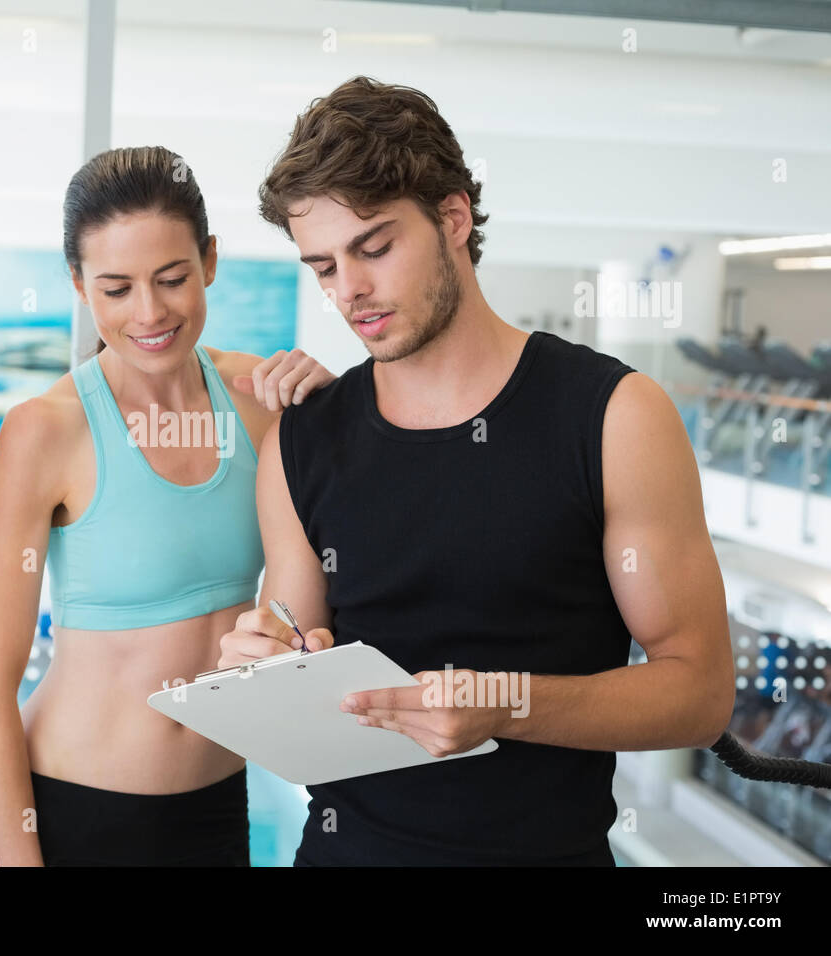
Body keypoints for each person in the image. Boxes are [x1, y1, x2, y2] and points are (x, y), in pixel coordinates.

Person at [219, 76, 736, 866]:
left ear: (453, 218)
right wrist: (263, 664)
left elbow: (698, 693)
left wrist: (505, 706)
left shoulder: (616, 418)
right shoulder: (301, 443)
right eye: (322, 266)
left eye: (375, 246)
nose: (348, 291)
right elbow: (293, 643)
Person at [0, 146, 337, 866]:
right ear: (78, 285)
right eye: (115, 289)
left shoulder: (262, 404)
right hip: (75, 815)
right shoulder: (47, 430)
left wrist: (336, 409)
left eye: (172, 279)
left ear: (210, 260)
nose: (150, 314)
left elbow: (309, 619)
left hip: (216, 813)